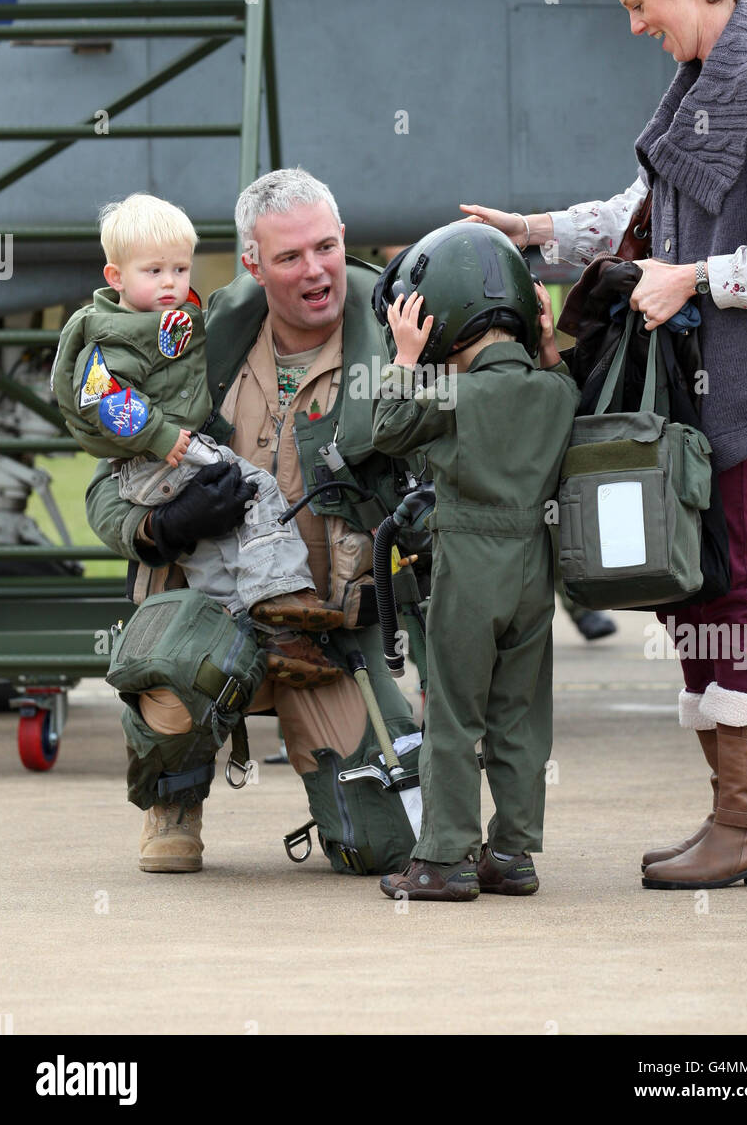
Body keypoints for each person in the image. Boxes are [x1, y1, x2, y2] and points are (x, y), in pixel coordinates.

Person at [461, 0, 747, 891]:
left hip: (743, 376)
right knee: (690, 584)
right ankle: (734, 819)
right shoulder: (706, 72)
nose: (634, 27)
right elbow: (640, 206)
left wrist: (693, 277)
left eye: (636, 5)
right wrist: (534, 230)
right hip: (690, 379)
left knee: (734, 587)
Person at [85, 169, 425, 873]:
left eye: (326, 248)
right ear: (253, 265)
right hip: (205, 623)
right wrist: (165, 525)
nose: (315, 271)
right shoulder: (188, 354)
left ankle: (346, 804)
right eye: (289, 257)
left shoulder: (396, 347)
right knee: (172, 674)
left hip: (323, 628)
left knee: (384, 849)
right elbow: (104, 489)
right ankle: (172, 800)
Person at [372, 223, 579, 900]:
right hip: (533, 565)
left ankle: (443, 858)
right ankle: (512, 854)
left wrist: (403, 361)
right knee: (518, 715)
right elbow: (562, 390)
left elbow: (387, 432)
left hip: (470, 559)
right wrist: (547, 348)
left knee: (455, 713)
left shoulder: (451, 396)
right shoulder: (554, 391)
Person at [52, 193, 344, 674]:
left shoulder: (168, 321)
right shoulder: (116, 333)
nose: (171, 283)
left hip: (156, 460)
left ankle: (251, 639)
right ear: (115, 277)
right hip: (159, 459)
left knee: (208, 550)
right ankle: (287, 590)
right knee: (254, 491)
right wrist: (162, 435)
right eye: (154, 272)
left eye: (180, 270)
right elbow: (100, 397)